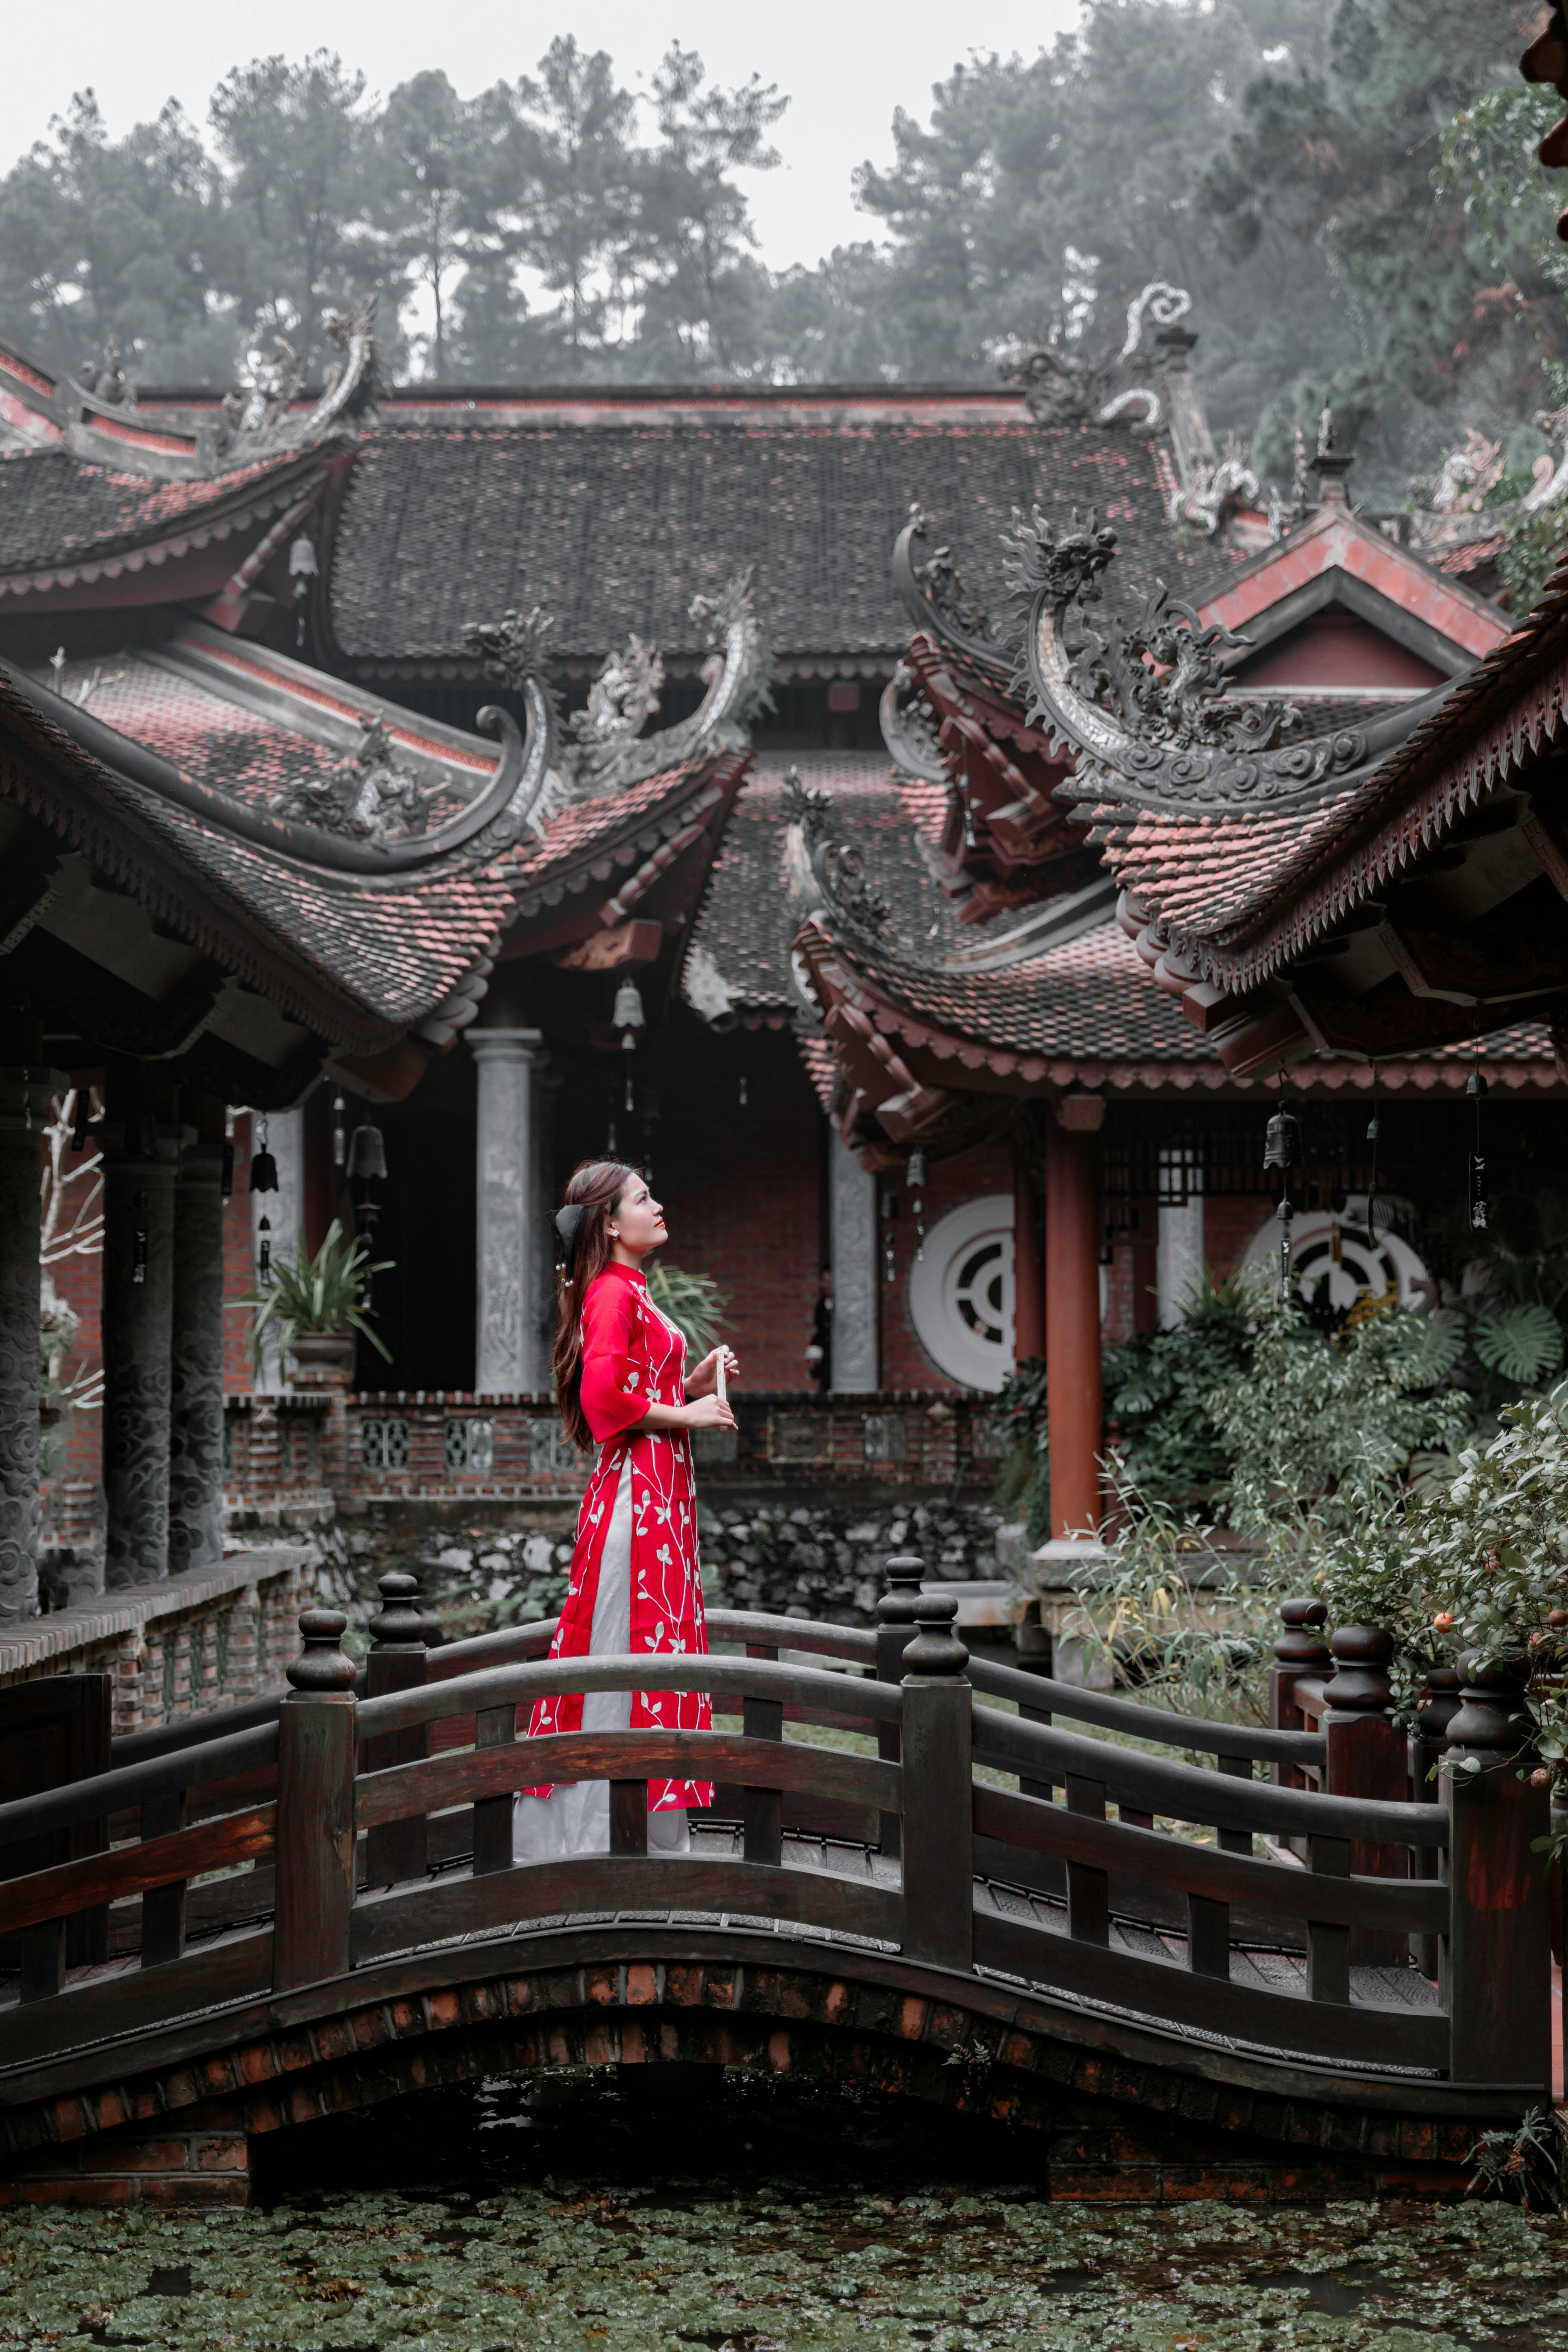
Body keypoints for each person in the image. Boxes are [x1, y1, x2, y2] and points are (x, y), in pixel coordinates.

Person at [514, 1159, 738, 1861]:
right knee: (622, 1652)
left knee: (646, 1654)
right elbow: (603, 1404)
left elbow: (635, 1381)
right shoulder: (610, 1294)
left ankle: (632, 1837)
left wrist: (691, 1380)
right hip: (638, 1504)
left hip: (656, 1499)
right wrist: (692, 1415)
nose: (659, 1204)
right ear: (609, 1222)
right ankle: (596, 1844)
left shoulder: (628, 1291)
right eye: (645, 1198)